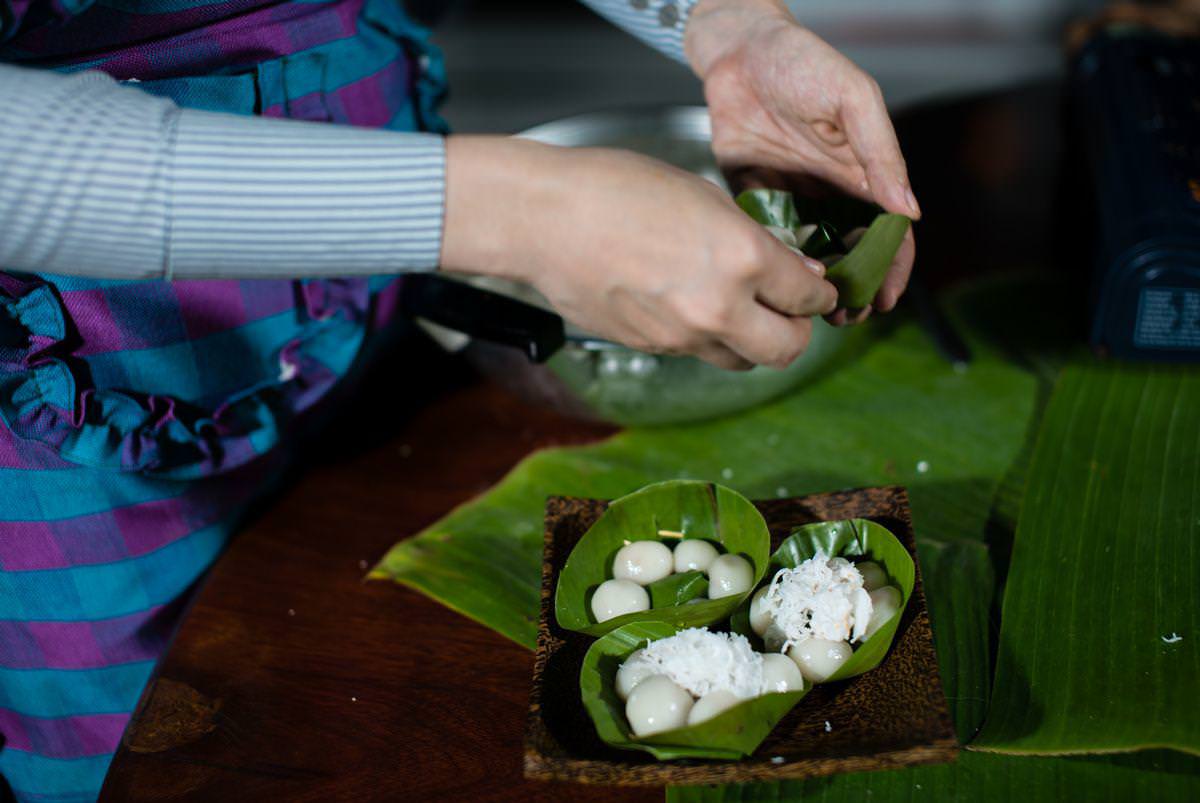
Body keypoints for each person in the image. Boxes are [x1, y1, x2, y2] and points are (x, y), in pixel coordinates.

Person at [0, 0, 919, 798]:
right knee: (171, 757)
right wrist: (515, 214)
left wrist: (721, 25)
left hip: (359, 298)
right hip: (89, 409)